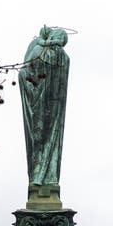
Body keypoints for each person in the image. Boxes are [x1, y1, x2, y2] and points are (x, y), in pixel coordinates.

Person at [19, 27, 70, 188]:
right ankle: (47, 176)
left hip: (39, 106)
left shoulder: (41, 51)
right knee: (50, 140)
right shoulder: (65, 59)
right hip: (56, 110)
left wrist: (39, 39)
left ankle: (38, 176)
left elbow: (25, 70)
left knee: (37, 141)